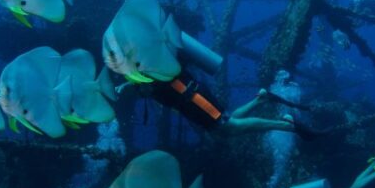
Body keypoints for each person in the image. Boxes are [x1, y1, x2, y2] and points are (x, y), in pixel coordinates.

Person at [119, 69, 321, 139]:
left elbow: (155, 84)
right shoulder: (144, 67)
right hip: (193, 100)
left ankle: (287, 126)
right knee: (226, 122)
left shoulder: (149, 68)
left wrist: (132, 85)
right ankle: (262, 99)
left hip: (194, 99)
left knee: (226, 128)